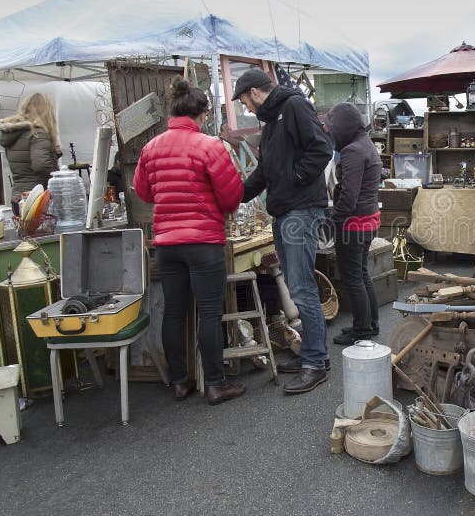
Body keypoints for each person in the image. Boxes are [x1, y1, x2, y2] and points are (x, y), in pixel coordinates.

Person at [133, 77, 245, 406]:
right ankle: (214, 384)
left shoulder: (151, 147)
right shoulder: (209, 146)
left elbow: (143, 192)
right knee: (209, 312)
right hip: (203, 242)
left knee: (174, 313)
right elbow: (230, 198)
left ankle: (180, 382)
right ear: (202, 114)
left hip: (167, 244)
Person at [236, 69, 332, 394]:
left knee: (302, 288)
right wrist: (236, 194)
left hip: (300, 209)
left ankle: (315, 364)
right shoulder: (273, 119)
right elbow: (265, 170)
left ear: (253, 91)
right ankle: (312, 353)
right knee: (295, 285)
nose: (246, 107)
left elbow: (321, 149)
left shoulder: (293, 106)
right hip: (287, 210)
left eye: (244, 100)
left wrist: (295, 180)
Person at [324, 103, 382, 346]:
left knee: (354, 278)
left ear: (344, 126)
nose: (330, 131)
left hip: (354, 224)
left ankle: (362, 331)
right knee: (361, 274)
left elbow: (348, 196)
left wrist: (333, 221)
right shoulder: (366, 144)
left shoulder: (353, 151)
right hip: (368, 220)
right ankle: (369, 324)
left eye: (332, 127)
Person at [0, 93, 61, 197]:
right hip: (37, 194)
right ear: (45, 111)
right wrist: (59, 176)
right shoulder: (37, 132)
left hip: (18, 193)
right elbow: (41, 164)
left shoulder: (12, 133)